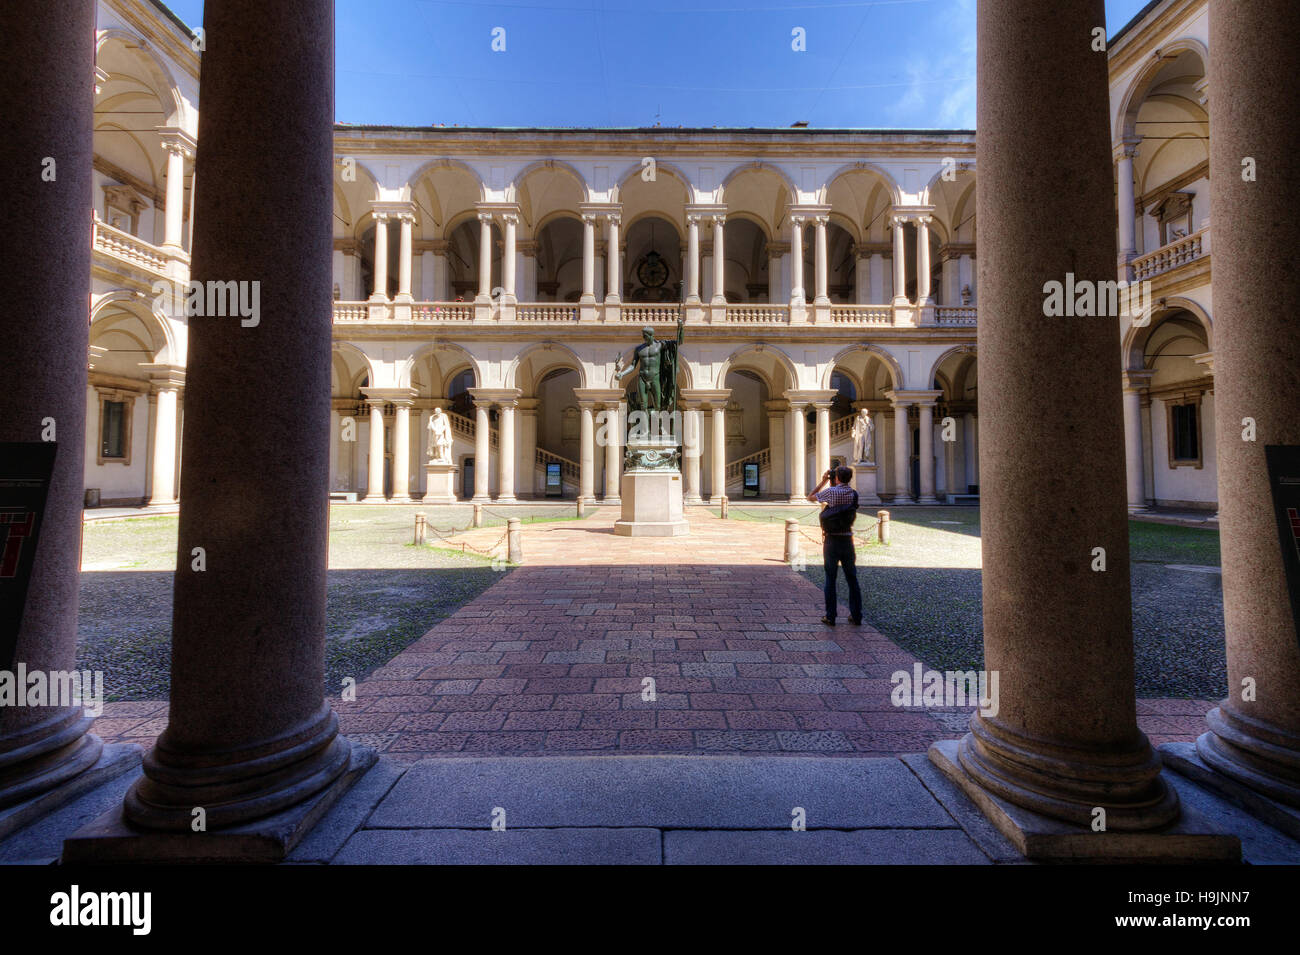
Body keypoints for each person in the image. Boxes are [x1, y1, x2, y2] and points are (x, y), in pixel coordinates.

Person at [807, 465, 862, 626]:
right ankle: (856, 615)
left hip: (832, 541)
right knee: (852, 578)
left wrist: (824, 480)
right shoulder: (853, 494)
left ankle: (831, 616)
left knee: (830, 579)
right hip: (847, 539)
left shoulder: (831, 492)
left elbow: (811, 496)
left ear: (836, 477)